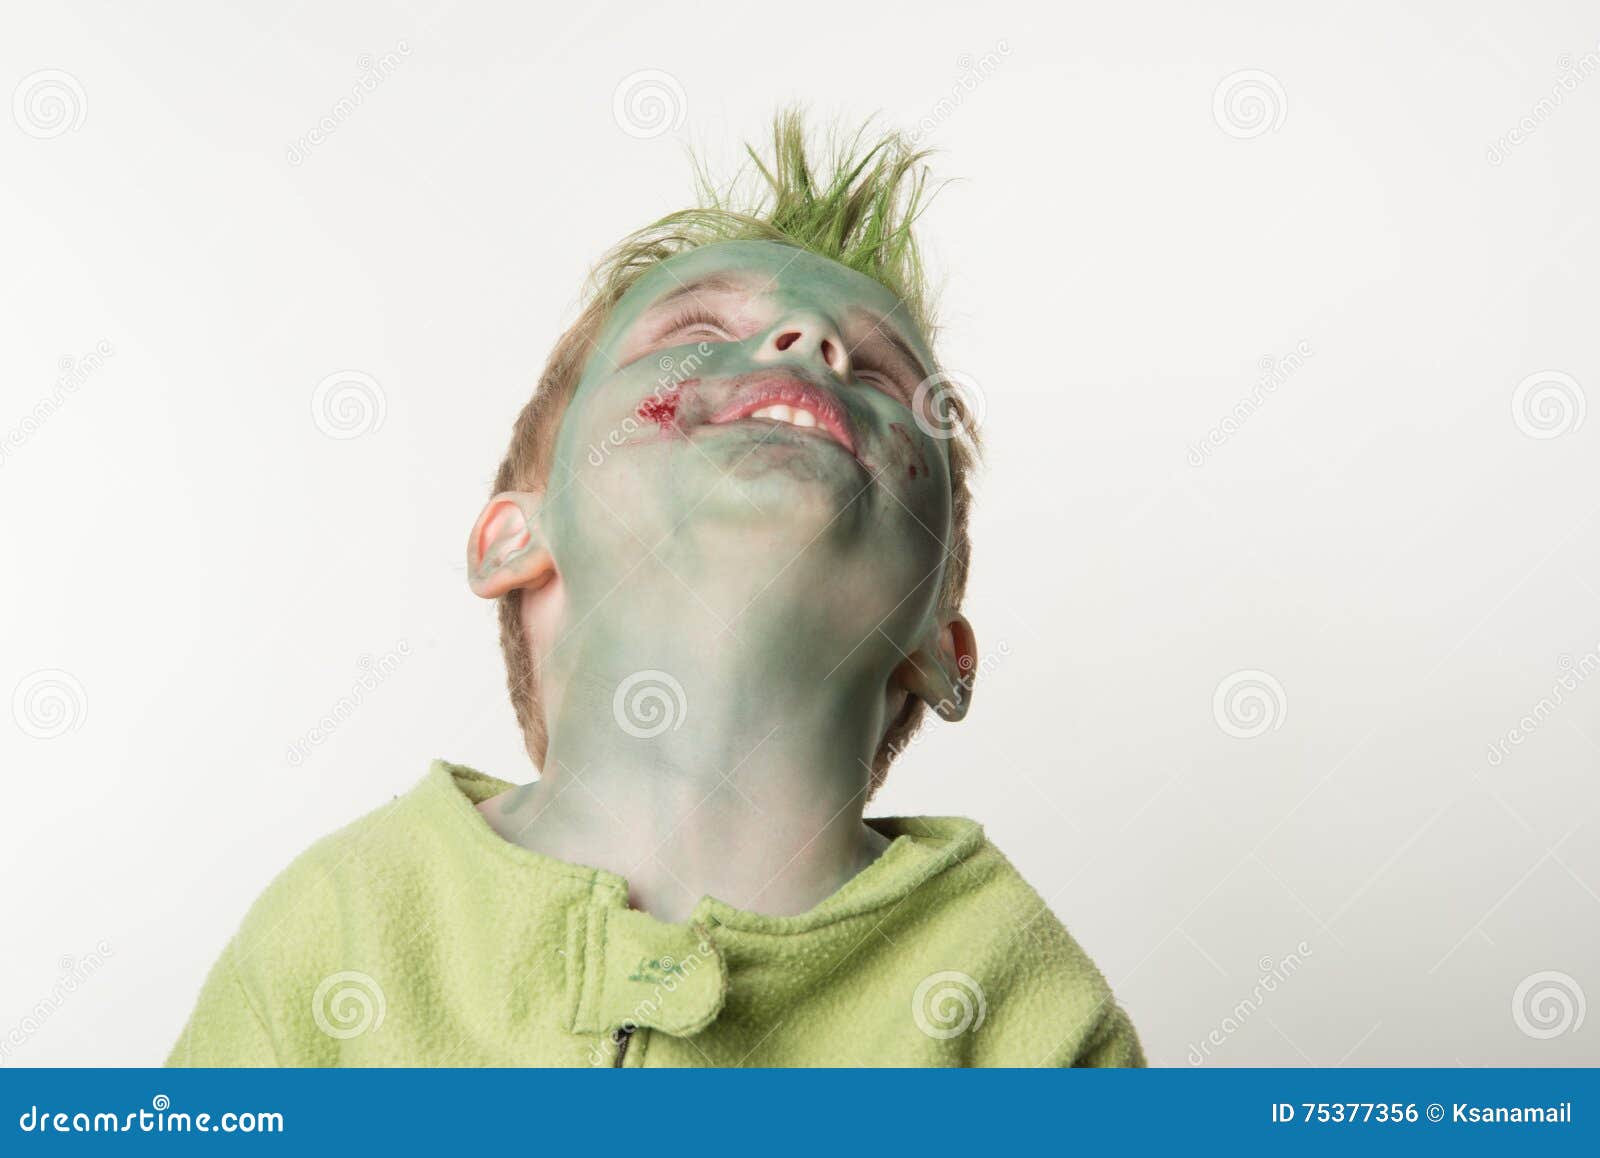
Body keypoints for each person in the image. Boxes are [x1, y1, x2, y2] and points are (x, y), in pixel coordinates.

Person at [167, 112, 1143, 1067]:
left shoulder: (1022, 1018)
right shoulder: (339, 928)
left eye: (889, 382)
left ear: (941, 646)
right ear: (517, 536)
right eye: (698, 328)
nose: (808, 341)